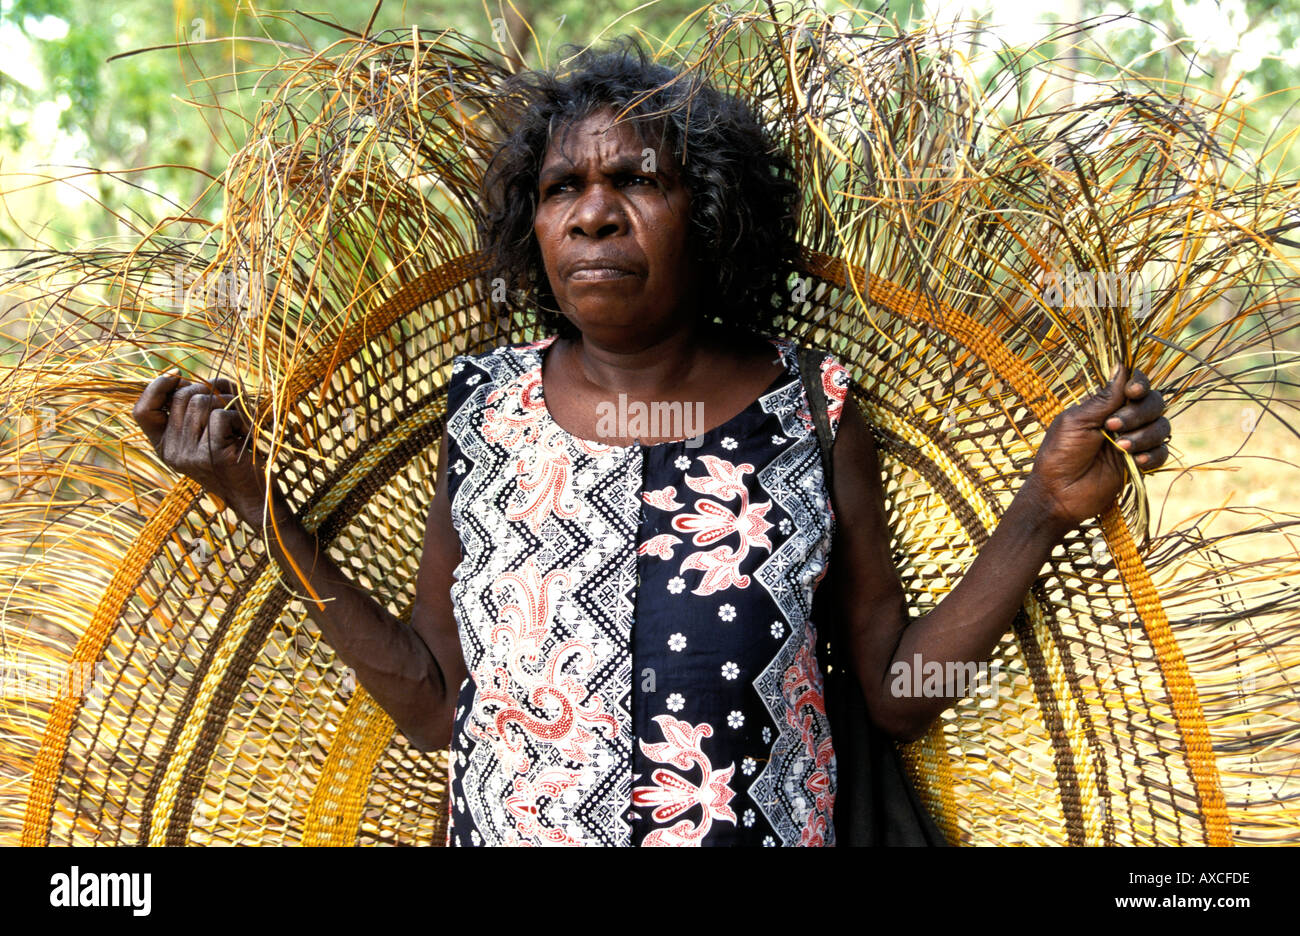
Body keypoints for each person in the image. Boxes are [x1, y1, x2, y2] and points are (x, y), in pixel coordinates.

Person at [131, 44, 1171, 846]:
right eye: (559, 189)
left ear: (708, 212)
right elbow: (434, 705)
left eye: (639, 181)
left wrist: (1041, 509)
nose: (593, 216)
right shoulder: (483, 413)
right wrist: (253, 501)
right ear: (530, 228)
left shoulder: (811, 408)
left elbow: (898, 694)